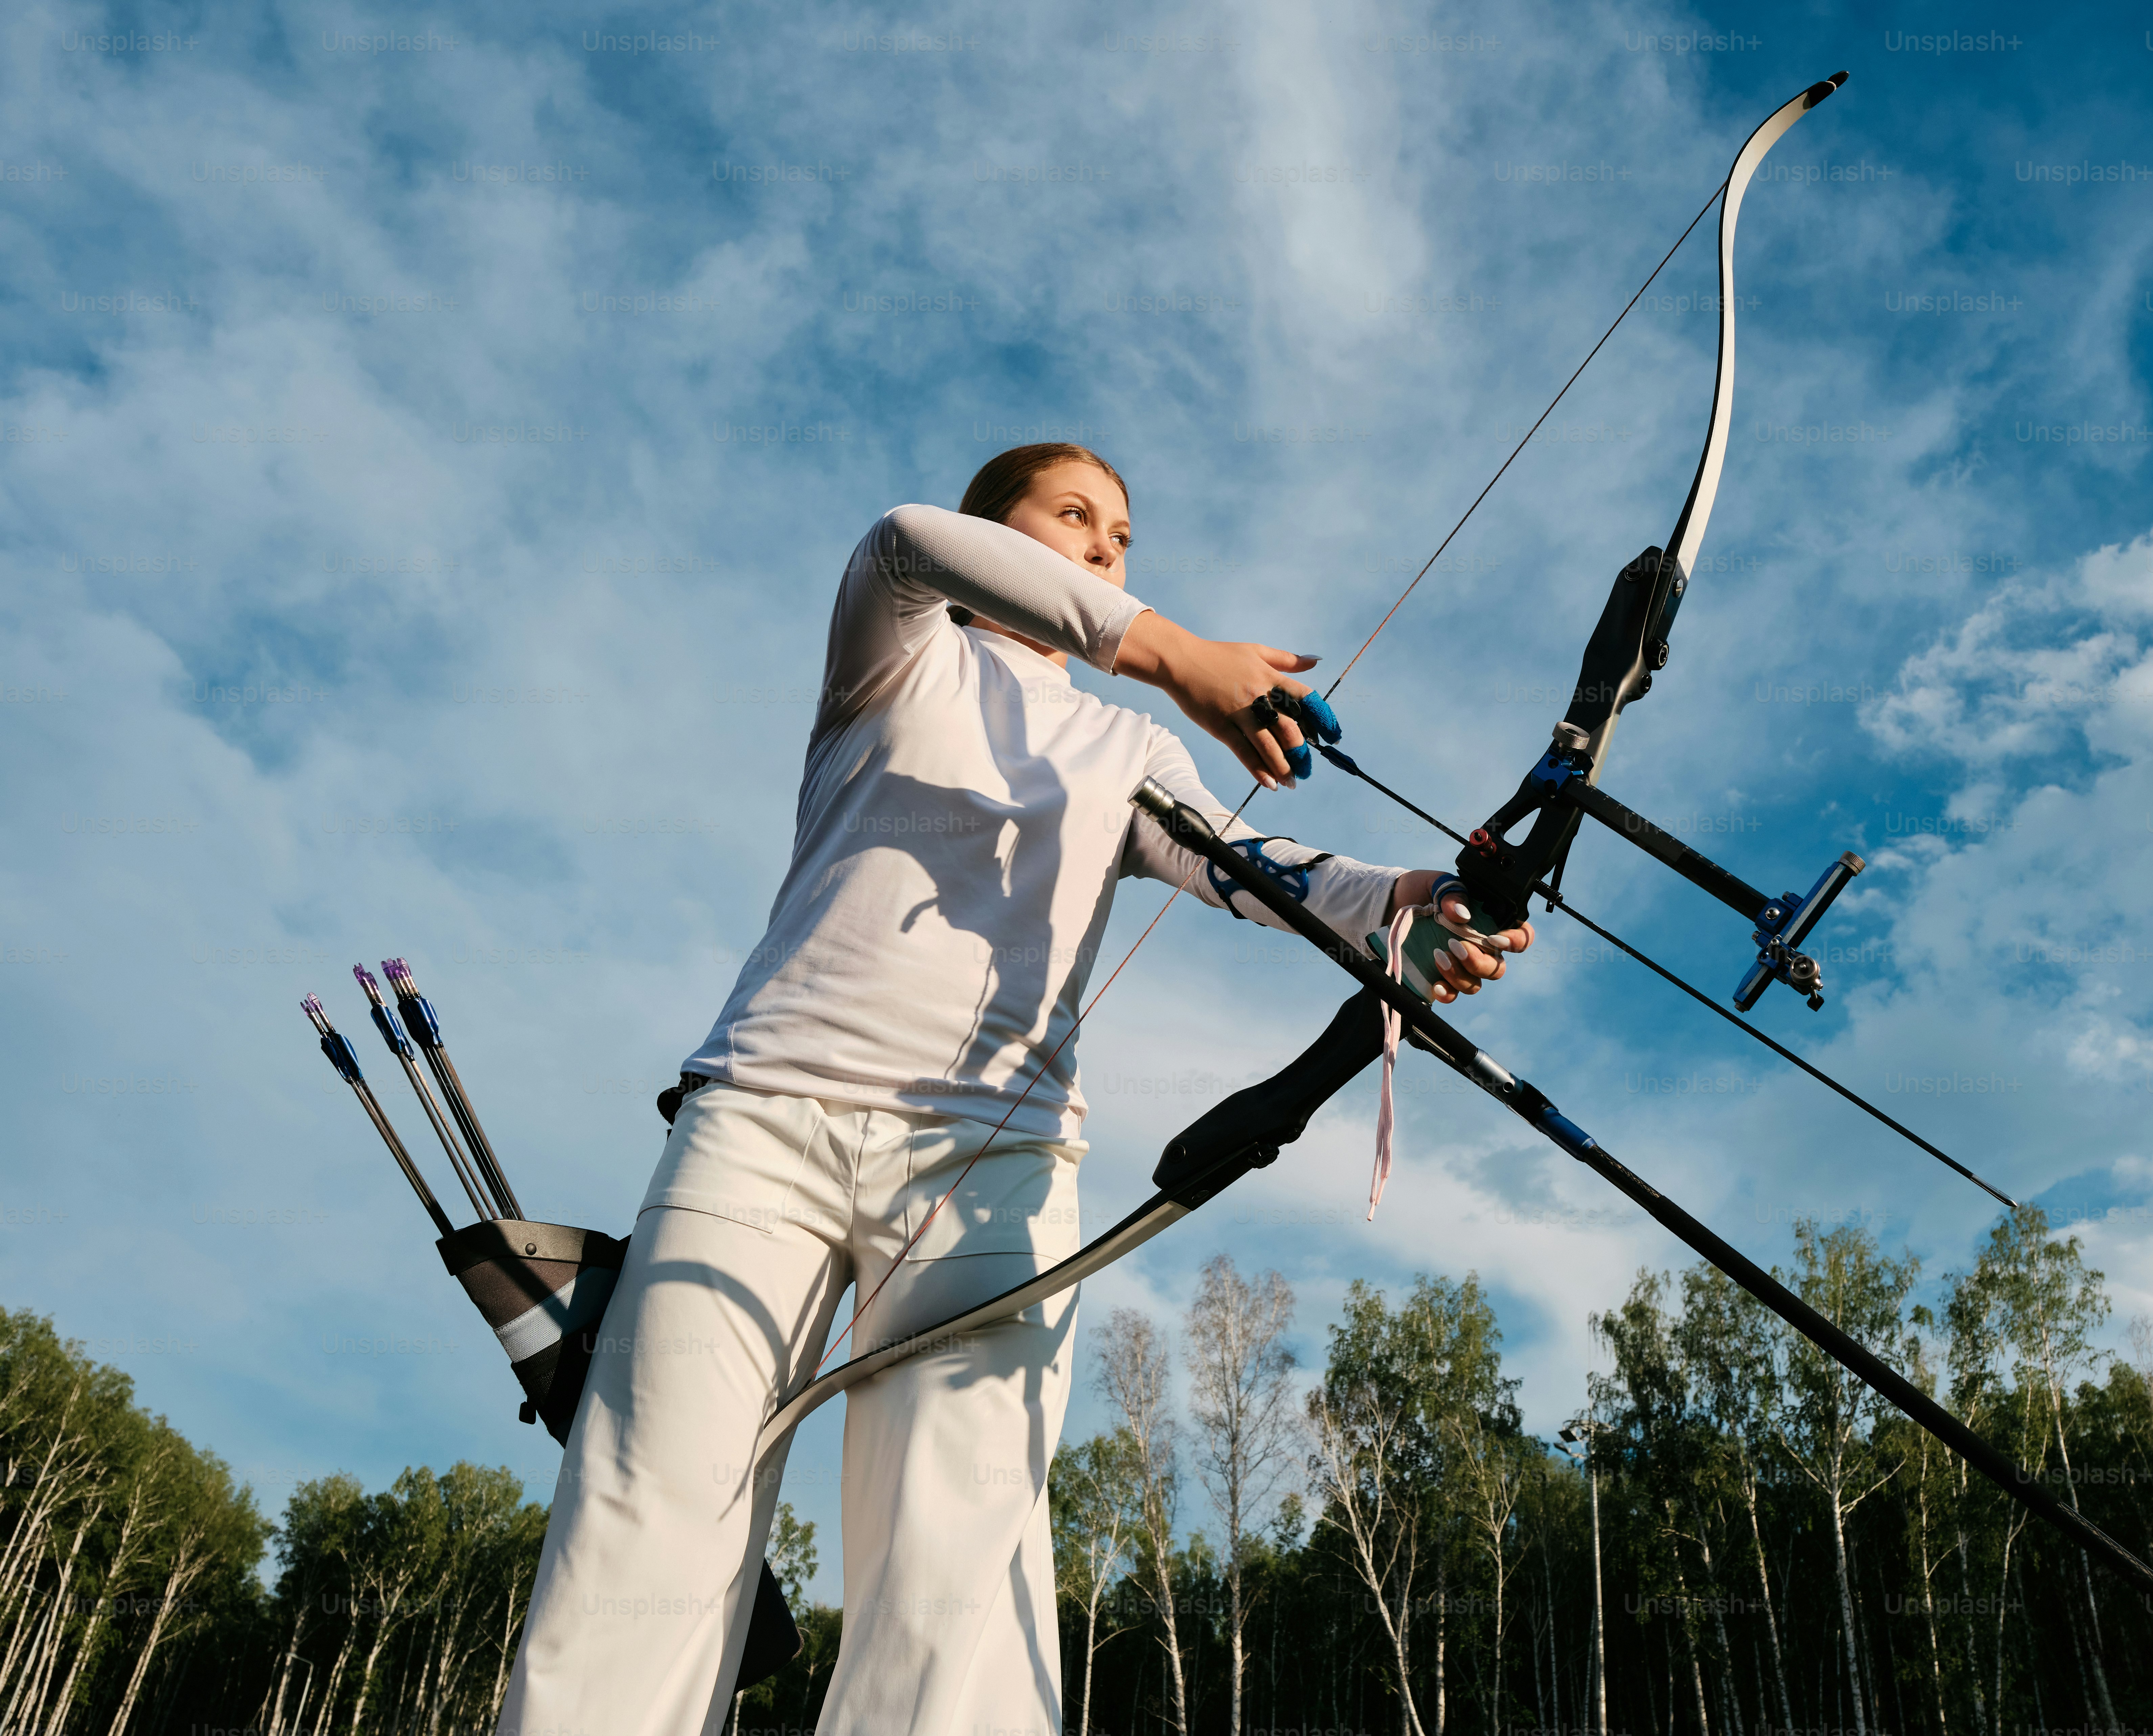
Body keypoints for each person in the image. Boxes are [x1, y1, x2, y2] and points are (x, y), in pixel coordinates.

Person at [499, 442, 1532, 1734]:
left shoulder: (1125, 744)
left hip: (994, 1166)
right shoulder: (902, 649)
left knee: (956, 1576)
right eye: (1075, 516)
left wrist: (1406, 903)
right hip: (764, 1123)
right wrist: (1171, 646)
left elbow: (1256, 865)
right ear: (998, 536)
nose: (1107, 546)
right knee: (650, 1519)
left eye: (1125, 537)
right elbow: (903, 537)